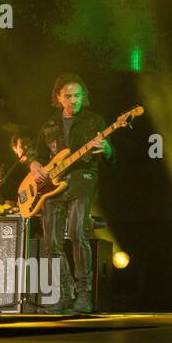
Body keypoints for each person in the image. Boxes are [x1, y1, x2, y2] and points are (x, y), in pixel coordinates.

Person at [33, 74, 112, 313]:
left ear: (84, 97)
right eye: (67, 96)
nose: (73, 100)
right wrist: (35, 166)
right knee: (52, 243)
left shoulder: (94, 121)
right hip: (52, 189)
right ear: (58, 97)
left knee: (78, 235)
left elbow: (108, 158)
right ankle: (64, 295)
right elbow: (37, 155)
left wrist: (108, 149)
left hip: (82, 182)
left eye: (77, 95)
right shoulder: (49, 125)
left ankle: (84, 296)